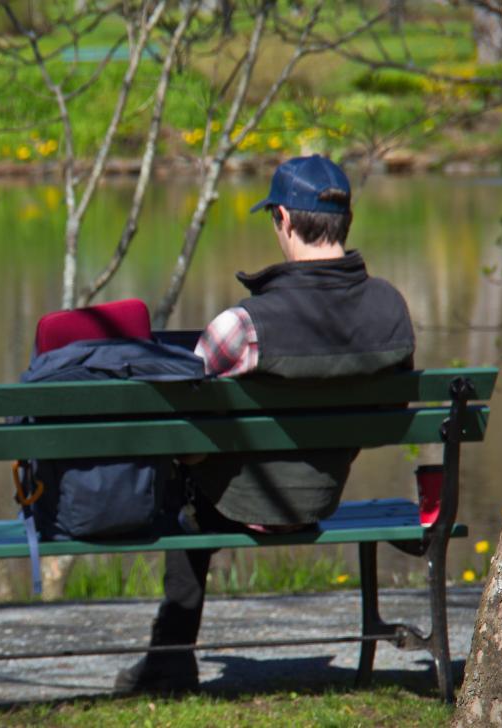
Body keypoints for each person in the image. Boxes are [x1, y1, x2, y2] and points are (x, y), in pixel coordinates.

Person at [115, 154, 416, 693]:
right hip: (322, 496)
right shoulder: (391, 308)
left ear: (282, 217)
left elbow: (183, 428)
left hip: (238, 505)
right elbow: (389, 422)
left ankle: (169, 657)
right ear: (344, 220)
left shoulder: (242, 325)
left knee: (185, 482)